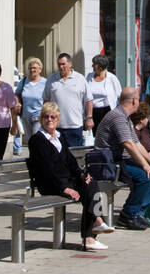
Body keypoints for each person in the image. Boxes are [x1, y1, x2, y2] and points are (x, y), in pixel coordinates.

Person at [27, 102, 110, 251]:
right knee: (89, 192)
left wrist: (81, 174)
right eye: (46, 117)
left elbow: (70, 161)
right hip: (50, 184)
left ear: (58, 119)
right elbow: (47, 169)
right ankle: (93, 228)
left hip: (66, 181)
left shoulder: (60, 137)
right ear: (41, 119)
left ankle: (91, 232)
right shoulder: (37, 140)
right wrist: (64, 188)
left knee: (92, 184)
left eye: (53, 117)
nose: (49, 120)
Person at [95, 88, 150, 230]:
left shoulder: (125, 117)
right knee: (145, 177)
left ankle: (137, 212)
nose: (139, 102)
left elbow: (136, 144)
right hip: (108, 163)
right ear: (134, 101)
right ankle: (127, 216)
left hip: (119, 161)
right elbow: (128, 144)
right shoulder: (118, 117)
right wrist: (145, 166)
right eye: (138, 99)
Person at [44, 53, 92, 148]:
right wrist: (45, 120)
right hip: (55, 126)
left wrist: (89, 117)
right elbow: (46, 101)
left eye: (63, 64)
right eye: (59, 64)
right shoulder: (51, 79)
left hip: (75, 126)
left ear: (70, 64)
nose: (61, 67)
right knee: (56, 155)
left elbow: (88, 100)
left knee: (73, 156)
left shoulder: (80, 79)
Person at [15, 58, 48, 142]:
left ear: (40, 69)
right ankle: (34, 155)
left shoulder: (45, 82)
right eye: (30, 68)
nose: (32, 70)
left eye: (34, 68)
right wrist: (18, 102)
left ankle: (37, 155)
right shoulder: (24, 81)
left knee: (36, 139)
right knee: (30, 141)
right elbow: (17, 94)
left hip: (39, 116)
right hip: (26, 116)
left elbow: (49, 98)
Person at [86, 55, 122, 124]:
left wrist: (120, 114)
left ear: (100, 66)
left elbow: (119, 96)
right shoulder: (89, 77)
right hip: (93, 112)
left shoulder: (112, 78)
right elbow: (85, 94)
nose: (92, 66)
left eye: (94, 64)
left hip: (107, 111)